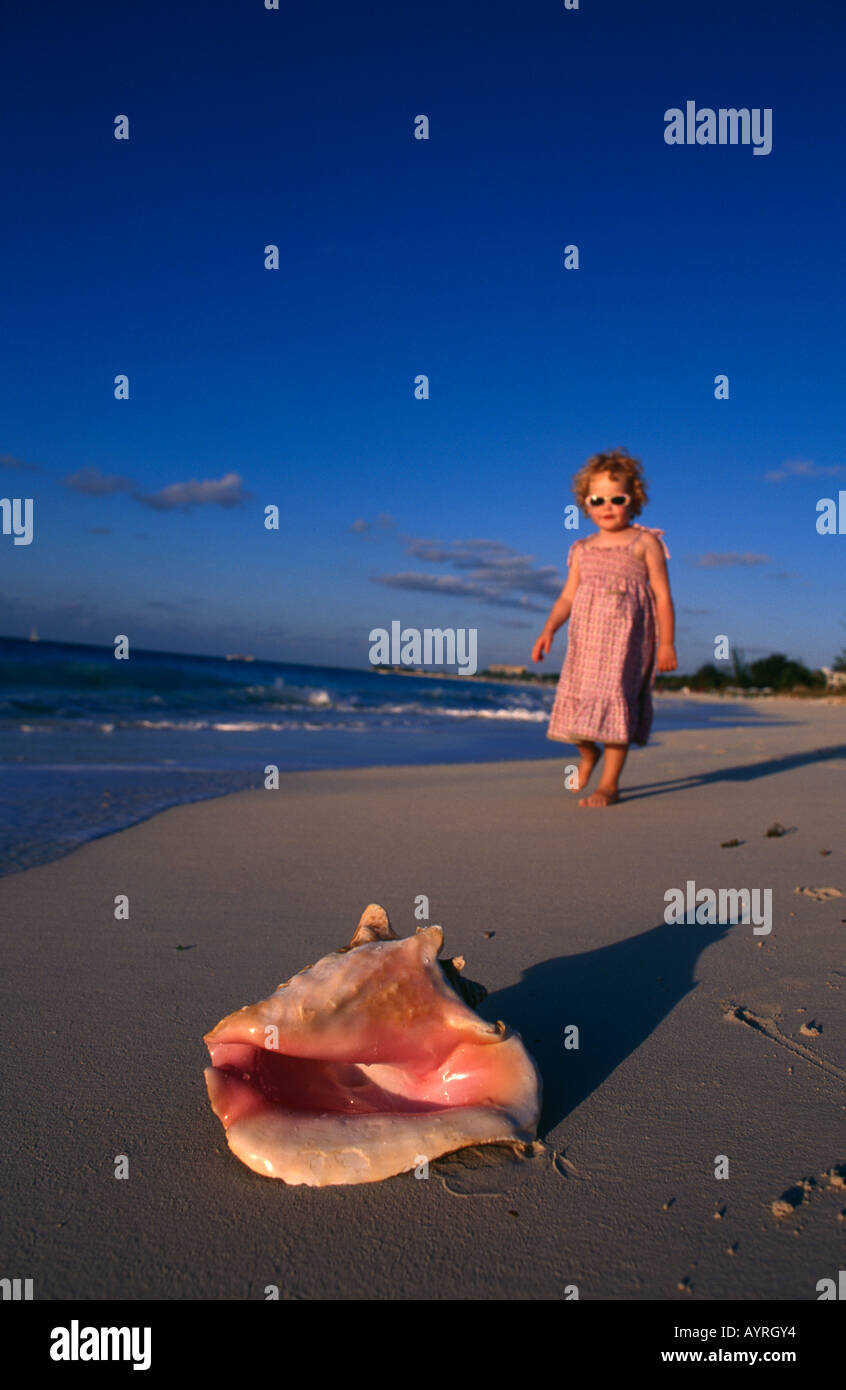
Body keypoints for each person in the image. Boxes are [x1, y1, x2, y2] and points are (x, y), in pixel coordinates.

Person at [531, 449, 677, 807]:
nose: (607, 506)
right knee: (576, 705)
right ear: (585, 502)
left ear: (634, 498)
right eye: (597, 499)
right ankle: (587, 755)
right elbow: (567, 597)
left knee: (616, 705)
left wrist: (667, 644)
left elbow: (662, 596)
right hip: (586, 644)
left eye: (618, 498)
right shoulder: (581, 549)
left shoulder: (646, 543)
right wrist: (549, 628)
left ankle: (610, 784)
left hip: (627, 644)